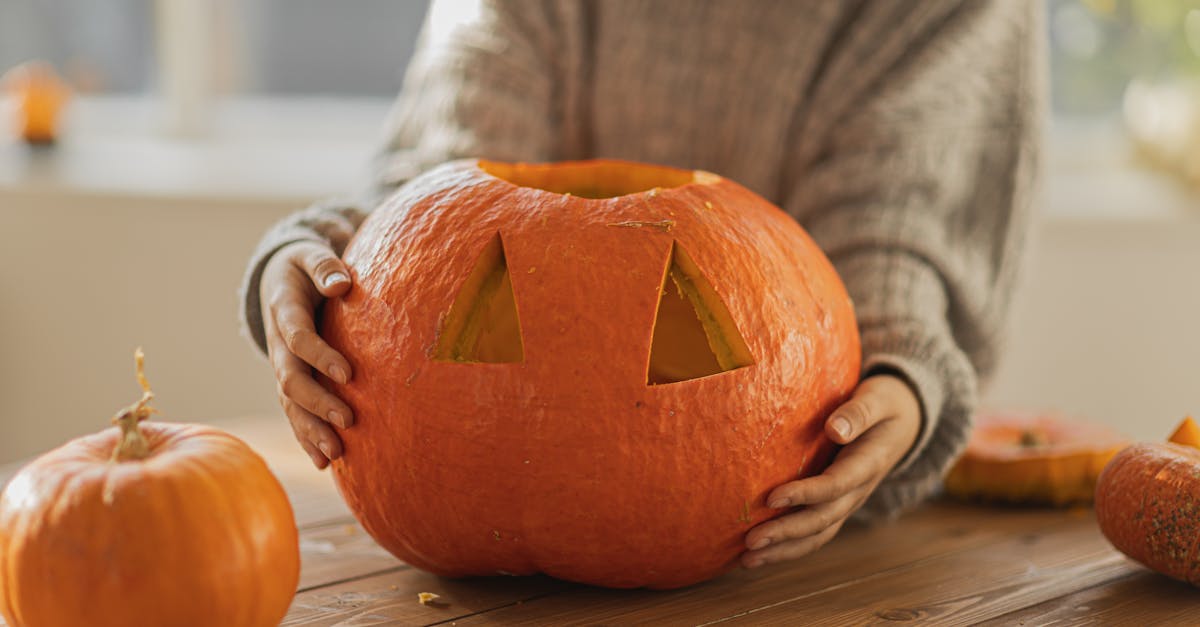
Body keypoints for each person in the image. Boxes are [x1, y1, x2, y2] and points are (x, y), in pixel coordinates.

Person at [240, 0, 1042, 570]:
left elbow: (892, 249)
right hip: (446, 534)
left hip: (781, 546)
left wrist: (900, 382)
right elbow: (438, 203)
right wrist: (326, 265)